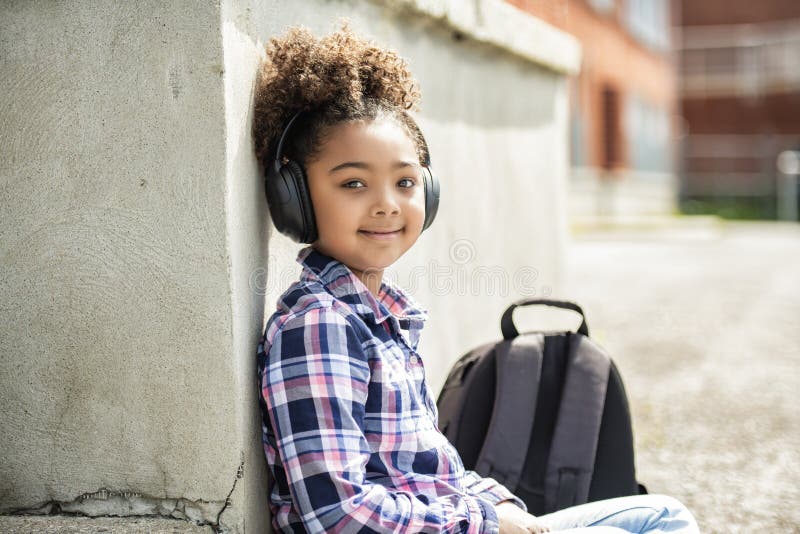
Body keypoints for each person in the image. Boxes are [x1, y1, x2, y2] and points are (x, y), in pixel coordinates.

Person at [253, 21, 700, 534]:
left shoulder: (383, 320)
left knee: (663, 514)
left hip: (451, 523)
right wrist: (485, 524)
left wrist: (501, 507)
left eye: (404, 182)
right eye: (354, 182)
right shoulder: (319, 327)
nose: (386, 204)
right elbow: (338, 515)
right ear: (295, 199)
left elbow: (433, 470)